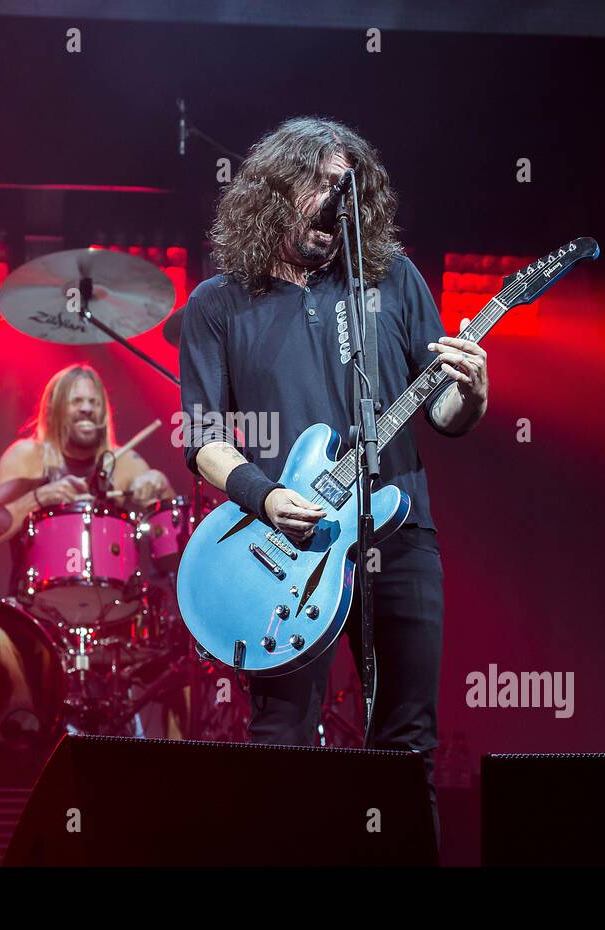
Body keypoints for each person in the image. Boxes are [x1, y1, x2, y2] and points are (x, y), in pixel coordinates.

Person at [177, 116, 490, 845]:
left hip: (398, 535)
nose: (333, 199)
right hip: (287, 550)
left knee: (408, 743)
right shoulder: (220, 303)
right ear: (275, 191)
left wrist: (472, 393)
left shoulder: (394, 279)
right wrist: (264, 496)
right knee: (282, 739)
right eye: (317, 183)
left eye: (346, 187)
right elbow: (201, 437)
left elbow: (442, 411)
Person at [0, 363, 173, 542]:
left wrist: (161, 486)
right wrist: (38, 498)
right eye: (76, 401)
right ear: (53, 408)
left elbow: (175, 532)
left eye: (94, 402)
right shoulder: (26, 457)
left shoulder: (125, 462)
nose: (87, 409)